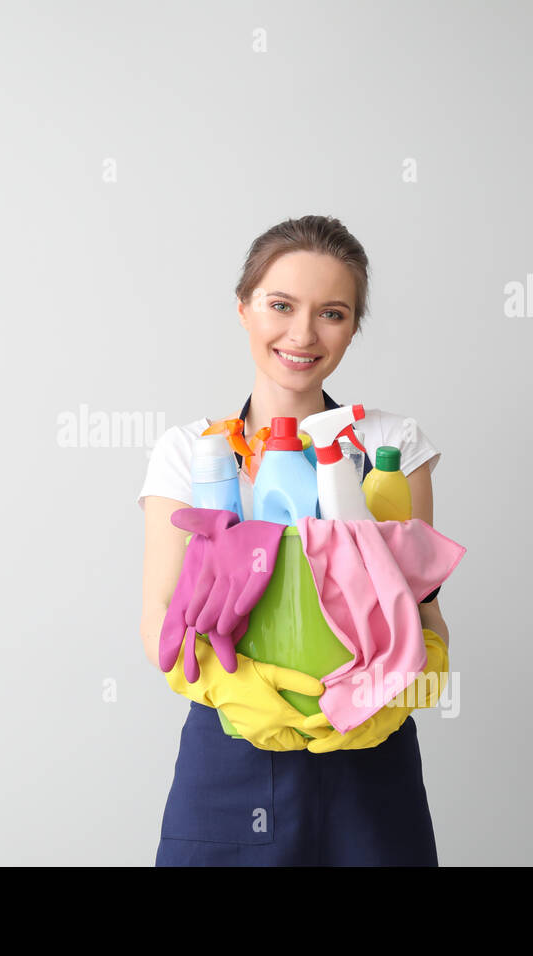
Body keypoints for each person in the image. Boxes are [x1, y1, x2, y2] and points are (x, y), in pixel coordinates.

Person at [137, 215, 452, 866]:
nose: (303, 334)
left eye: (332, 313)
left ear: (354, 326)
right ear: (244, 308)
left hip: (367, 756)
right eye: (281, 305)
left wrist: (402, 696)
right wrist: (228, 690)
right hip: (230, 755)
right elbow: (159, 621)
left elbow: (423, 616)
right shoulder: (193, 453)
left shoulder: (389, 447)